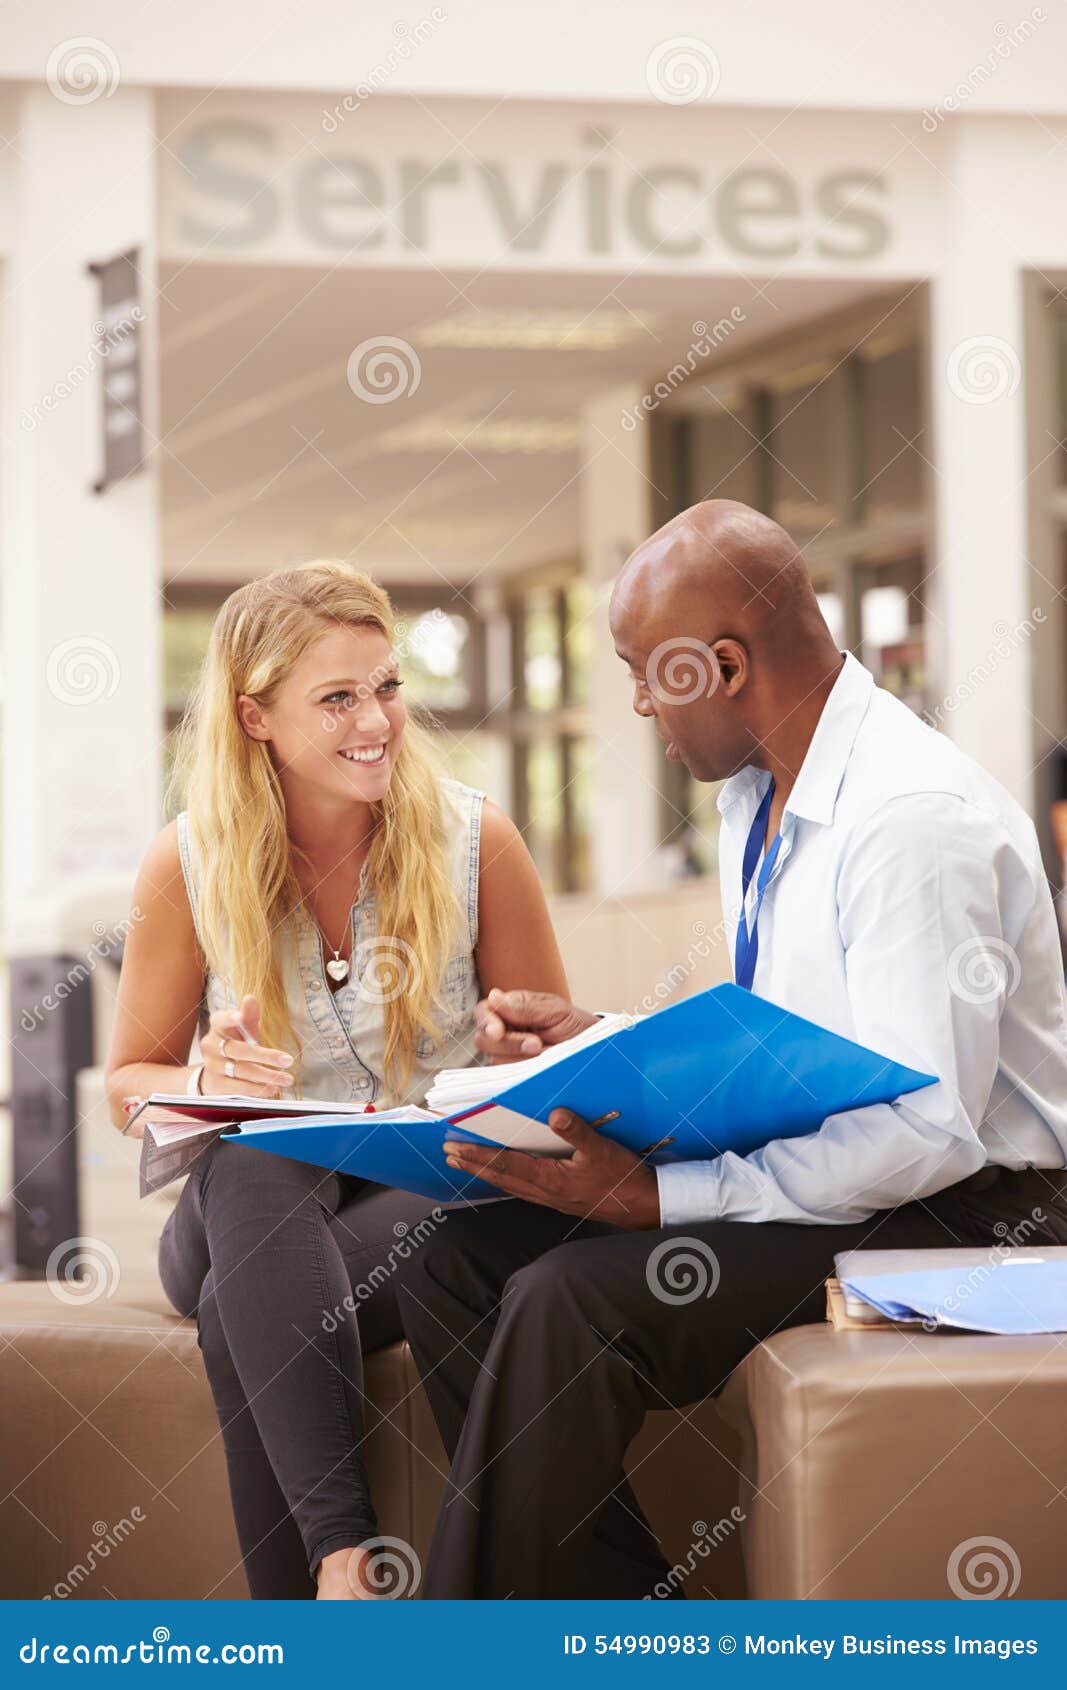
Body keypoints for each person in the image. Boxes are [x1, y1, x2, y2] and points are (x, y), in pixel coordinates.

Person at [395, 498, 1067, 1600]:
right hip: (864, 1163)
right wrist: (602, 1044)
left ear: (717, 665)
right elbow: (795, 1048)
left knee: (570, 1298)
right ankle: (627, 1630)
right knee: (445, 1257)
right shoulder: (756, 797)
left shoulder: (908, 818)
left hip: (975, 1201)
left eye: (642, 672)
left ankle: (462, 1646)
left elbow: (925, 1128)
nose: (634, 704)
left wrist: (668, 1198)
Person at [104, 561, 567, 1600]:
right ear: (254, 716)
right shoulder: (186, 864)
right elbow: (125, 1081)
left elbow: (553, 1081)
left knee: (240, 1311)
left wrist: (509, 1051)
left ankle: (334, 1580)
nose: (378, 721)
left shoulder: (473, 839)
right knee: (248, 1151)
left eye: (388, 687)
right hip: (249, 1200)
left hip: (416, 1196)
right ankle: (350, 1561)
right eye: (339, 697)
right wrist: (200, 1070)